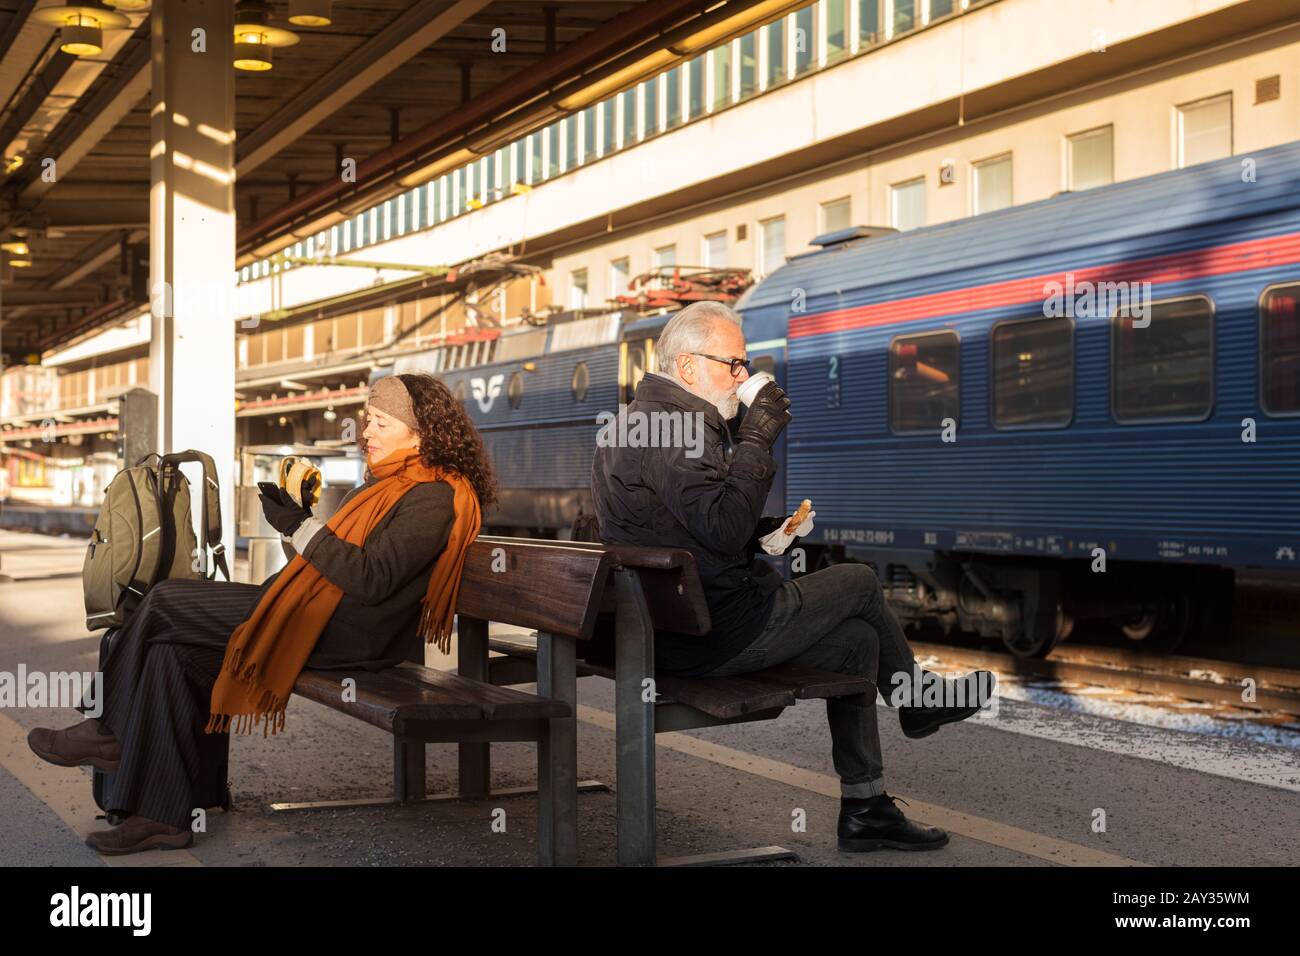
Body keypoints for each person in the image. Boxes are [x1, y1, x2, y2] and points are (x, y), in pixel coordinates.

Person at [27, 372, 495, 855]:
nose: (366, 433)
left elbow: (371, 580)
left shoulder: (434, 496)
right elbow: (325, 567)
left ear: (420, 432)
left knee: (166, 599)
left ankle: (105, 729)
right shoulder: (386, 486)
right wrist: (298, 521)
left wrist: (301, 525)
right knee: (172, 652)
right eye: (367, 421)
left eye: (378, 422)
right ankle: (162, 817)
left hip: (348, 636)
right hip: (315, 615)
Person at [590, 300, 995, 852]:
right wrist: (758, 438)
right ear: (687, 367)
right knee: (856, 582)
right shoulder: (681, 427)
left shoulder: (635, 423)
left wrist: (768, 532)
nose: (742, 377)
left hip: (669, 629)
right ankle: (918, 698)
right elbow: (720, 525)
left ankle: (867, 808)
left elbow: (691, 531)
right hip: (713, 634)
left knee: (856, 643)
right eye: (732, 363)